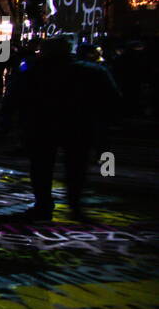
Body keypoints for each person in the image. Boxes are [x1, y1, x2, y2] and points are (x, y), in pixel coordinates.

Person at [17, 37, 120, 221]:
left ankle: (43, 205)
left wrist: (18, 124)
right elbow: (112, 99)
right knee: (76, 168)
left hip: (43, 126)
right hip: (79, 126)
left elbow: (18, 98)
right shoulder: (92, 71)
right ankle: (75, 205)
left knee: (41, 166)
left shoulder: (35, 71)